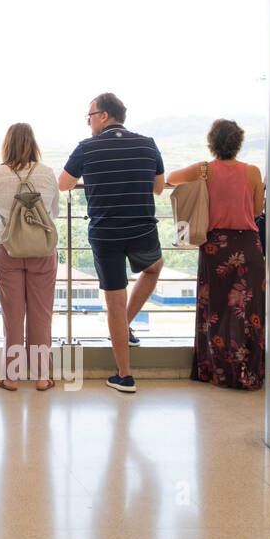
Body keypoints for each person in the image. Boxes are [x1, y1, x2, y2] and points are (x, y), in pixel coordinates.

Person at [58, 93, 164, 394]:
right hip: (142, 228)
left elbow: (63, 184)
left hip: (106, 233)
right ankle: (125, 327)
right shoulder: (148, 144)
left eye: (89, 115)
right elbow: (158, 189)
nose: (88, 121)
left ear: (104, 116)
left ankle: (125, 375)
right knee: (154, 268)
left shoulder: (87, 148)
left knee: (115, 304)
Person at [166, 120, 266, 390]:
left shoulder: (204, 170)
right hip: (248, 247)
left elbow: (170, 179)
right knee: (248, 312)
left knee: (215, 311)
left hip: (215, 248)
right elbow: (257, 212)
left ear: (212, 143)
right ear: (239, 143)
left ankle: (215, 371)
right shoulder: (253, 172)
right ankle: (247, 373)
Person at [0, 123, 60, 391]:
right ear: (34, 143)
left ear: (7, 145)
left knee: (12, 315)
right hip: (42, 250)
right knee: (41, 314)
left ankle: (11, 377)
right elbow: (54, 212)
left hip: (8, 249)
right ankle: (42, 377)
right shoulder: (48, 174)